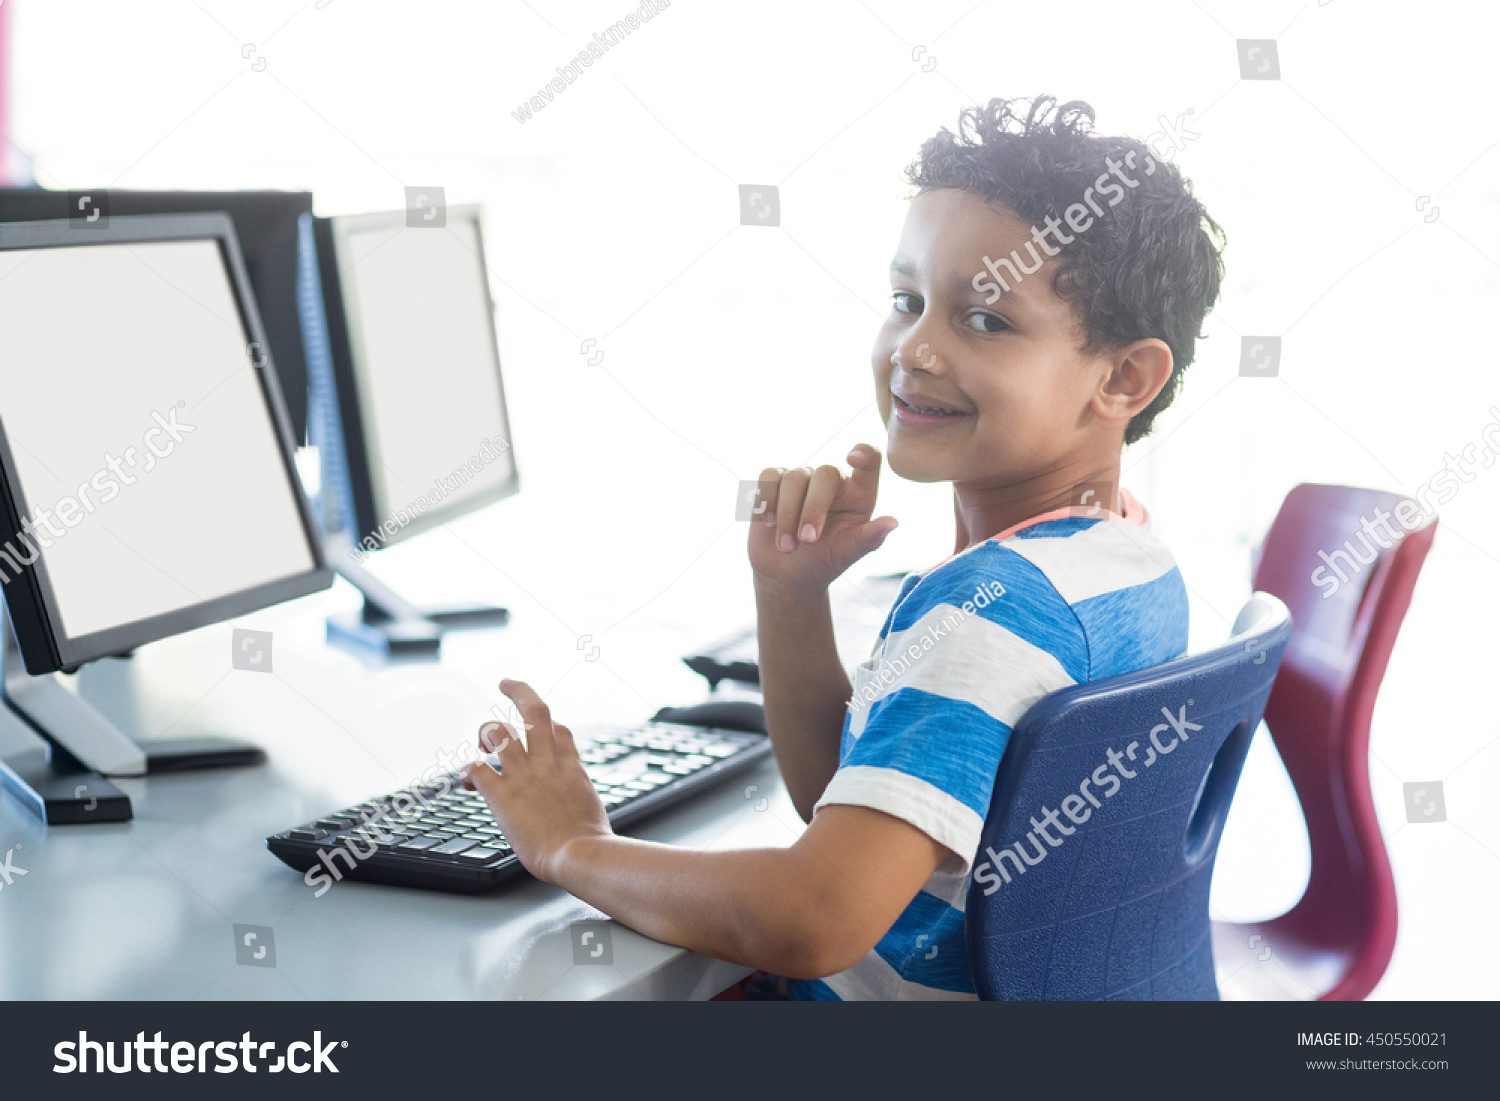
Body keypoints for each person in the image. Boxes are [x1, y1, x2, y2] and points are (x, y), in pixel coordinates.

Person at [463, 94, 1225, 999]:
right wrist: (790, 596)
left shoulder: (994, 614)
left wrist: (570, 846)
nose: (917, 351)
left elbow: (817, 913)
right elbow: (849, 801)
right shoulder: (1126, 561)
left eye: (986, 320)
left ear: (1123, 377)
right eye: (908, 300)